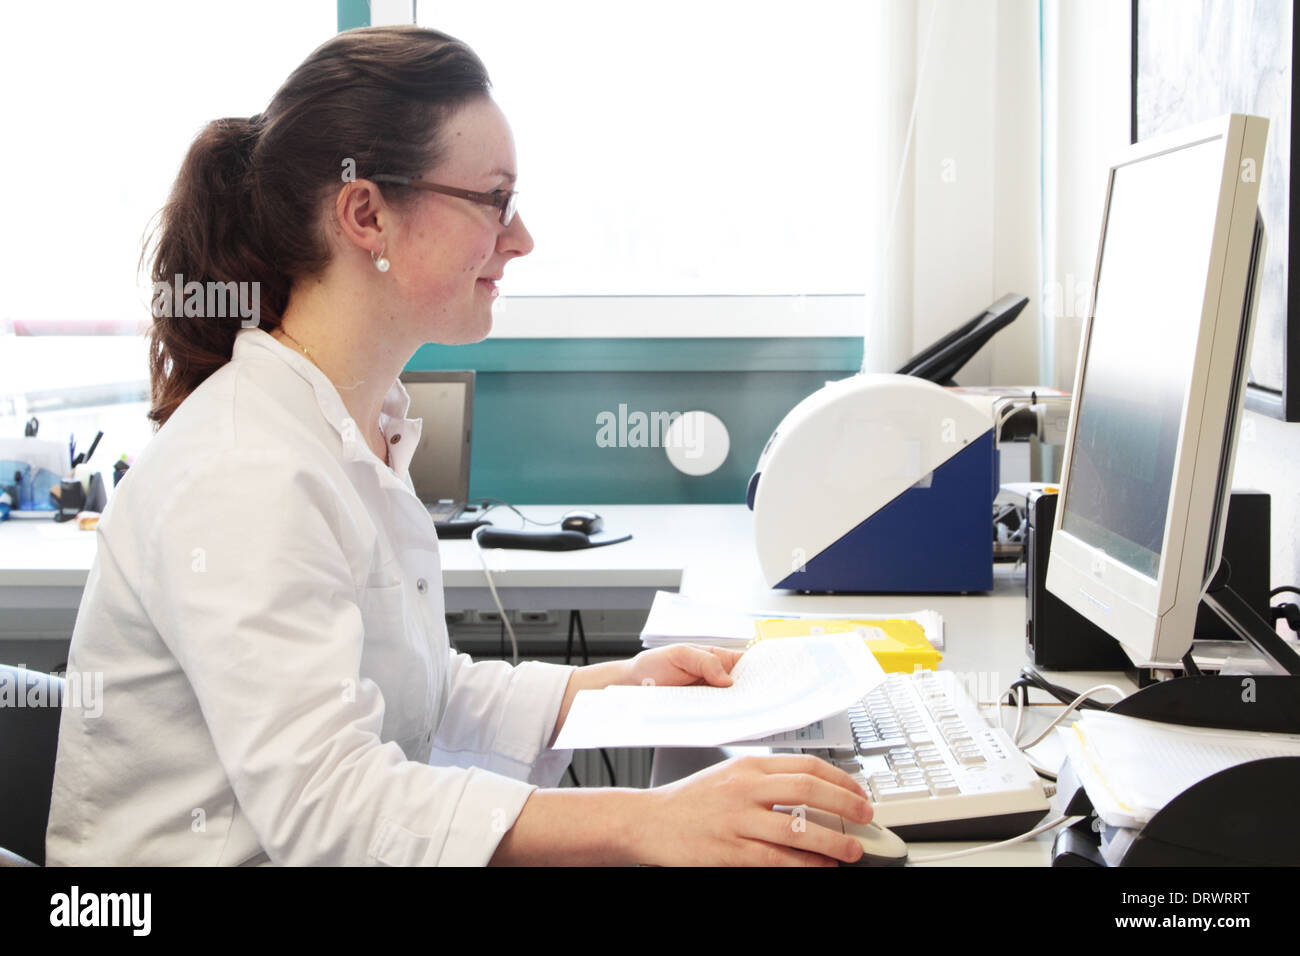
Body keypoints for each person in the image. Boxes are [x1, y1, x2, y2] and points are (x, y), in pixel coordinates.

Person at [45, 25, 872, 866]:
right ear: (366, 213)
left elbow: (420, 699)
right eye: (494, 199)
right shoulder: (245, 470)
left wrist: (598, 690)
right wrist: (644, 822)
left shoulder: (353, 428)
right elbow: (331, 806)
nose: (520, 238)